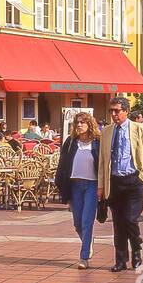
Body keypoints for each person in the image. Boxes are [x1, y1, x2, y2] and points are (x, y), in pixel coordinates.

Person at [98, 97, 143, 273]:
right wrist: (101, 187)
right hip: (114, 181)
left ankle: (136, 248)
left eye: (117, 111)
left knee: (131, 219)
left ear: (126, 111)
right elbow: (102, 162)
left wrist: (142, 179)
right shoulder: (106, 131)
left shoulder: (140, 129)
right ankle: (121, 259)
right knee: (118, 222)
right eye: (111, 111)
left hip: (134, 181)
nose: (113, 114)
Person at [54, 112, 101, 269]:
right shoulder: (70, 142)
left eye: (83, 122)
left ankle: (84, 257)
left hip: (92, 185)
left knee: (87, 221)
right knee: (77, 223)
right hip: (74, 185)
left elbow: (103, 165)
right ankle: (88, 241)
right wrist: (60, 185)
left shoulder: (97, 143)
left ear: (90, 124)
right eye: (77, 122)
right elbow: (63, 164)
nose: (79, 125)